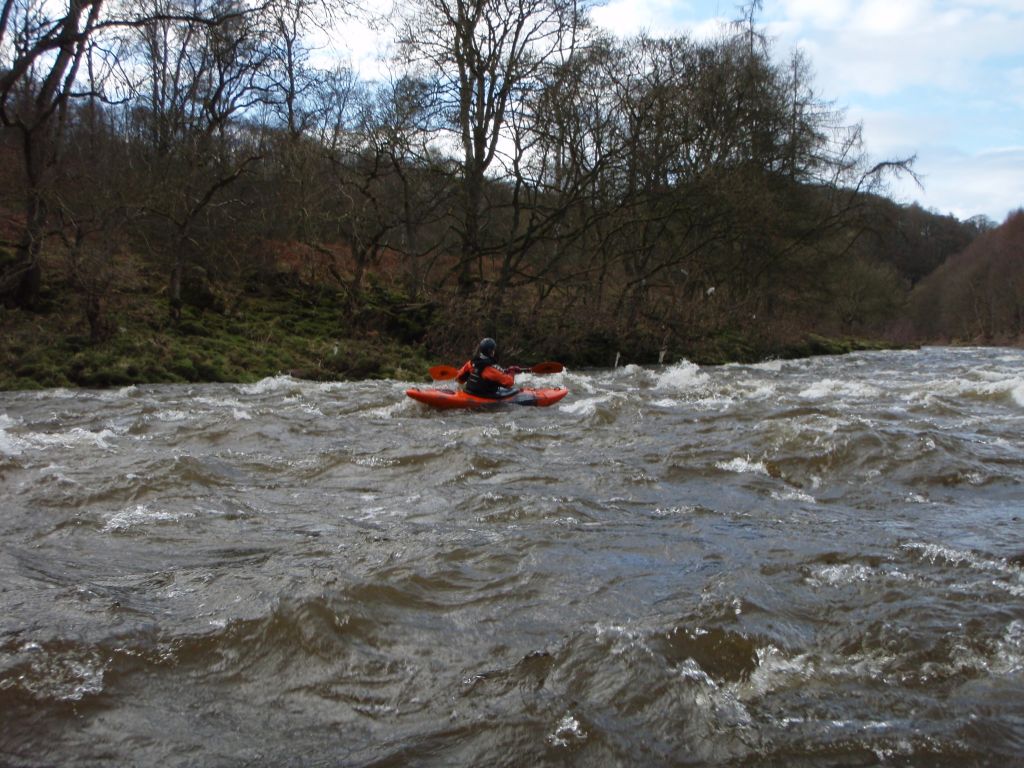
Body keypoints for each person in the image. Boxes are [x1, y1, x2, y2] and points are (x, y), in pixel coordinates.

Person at [456, 338, 521, 399]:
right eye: (493, 350)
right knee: (513, 390)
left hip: (469, 393)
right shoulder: (490, 369)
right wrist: (512, 372)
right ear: (491, 352)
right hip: (483, 397)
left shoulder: (471, 363)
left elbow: (459, 378)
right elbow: (509, 382)